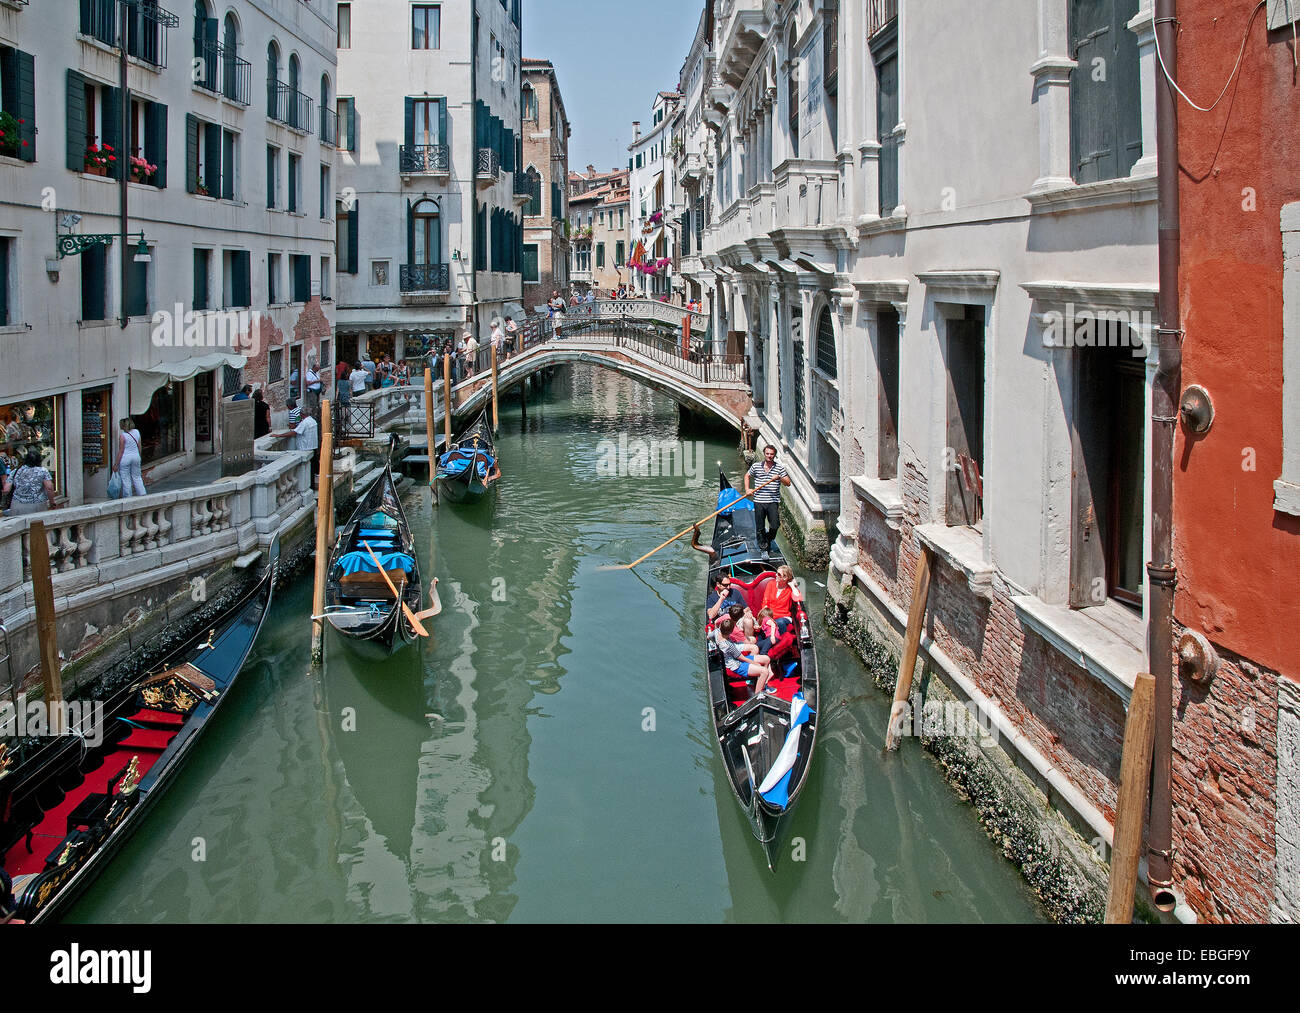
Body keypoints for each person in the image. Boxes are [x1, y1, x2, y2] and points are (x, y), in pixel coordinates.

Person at [745, 444, 792, 558]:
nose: (769, 456)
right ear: (764, 454)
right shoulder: (756, 466)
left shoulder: (779, 468)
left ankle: (767, 539)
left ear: (774, 455)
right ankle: (763, 548)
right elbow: (747, 476)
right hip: (759, 501)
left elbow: (788, 483)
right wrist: (747, 489)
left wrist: (779, 478)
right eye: (767, 454)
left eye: (771, 454)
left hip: (772, 502)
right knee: (760, 527)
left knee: (775, 525)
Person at [714, 617, 773, 697]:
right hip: (736, 665)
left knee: (766, 659)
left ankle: (762, 683)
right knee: (764, 671)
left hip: (736, 659)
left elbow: (709, 636)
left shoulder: (716, 632)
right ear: (731, 631)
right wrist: (755, 663)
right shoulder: (728, 646)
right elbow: (742, 658)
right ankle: (758, 696)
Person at [274, 411, 320, 488]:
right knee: (312, 468)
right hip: (313, 446)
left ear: (302, 414)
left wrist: (279, 435)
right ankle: (312, 485)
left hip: (305, 448)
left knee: (308, 470)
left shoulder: (304, 423)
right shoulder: (312, 420)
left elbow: (294, 432)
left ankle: (310, 486)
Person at [5, 449, 58, 513]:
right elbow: (49, 488)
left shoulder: (15, 471)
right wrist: (52, 502)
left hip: (17, 505)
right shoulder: (43, 471)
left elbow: (6, 489)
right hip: (37, 505)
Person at [113, 418, 147, 498]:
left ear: (123, 426)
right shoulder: (136, 432)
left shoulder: (122, 436)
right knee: (137, 477)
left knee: (126, 479)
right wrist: (139, 457)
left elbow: (121, 451)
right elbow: (139, 446)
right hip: (136, 457)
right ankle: (143, 495)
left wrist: (116, 464)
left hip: (125, 458)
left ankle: (128, 498)